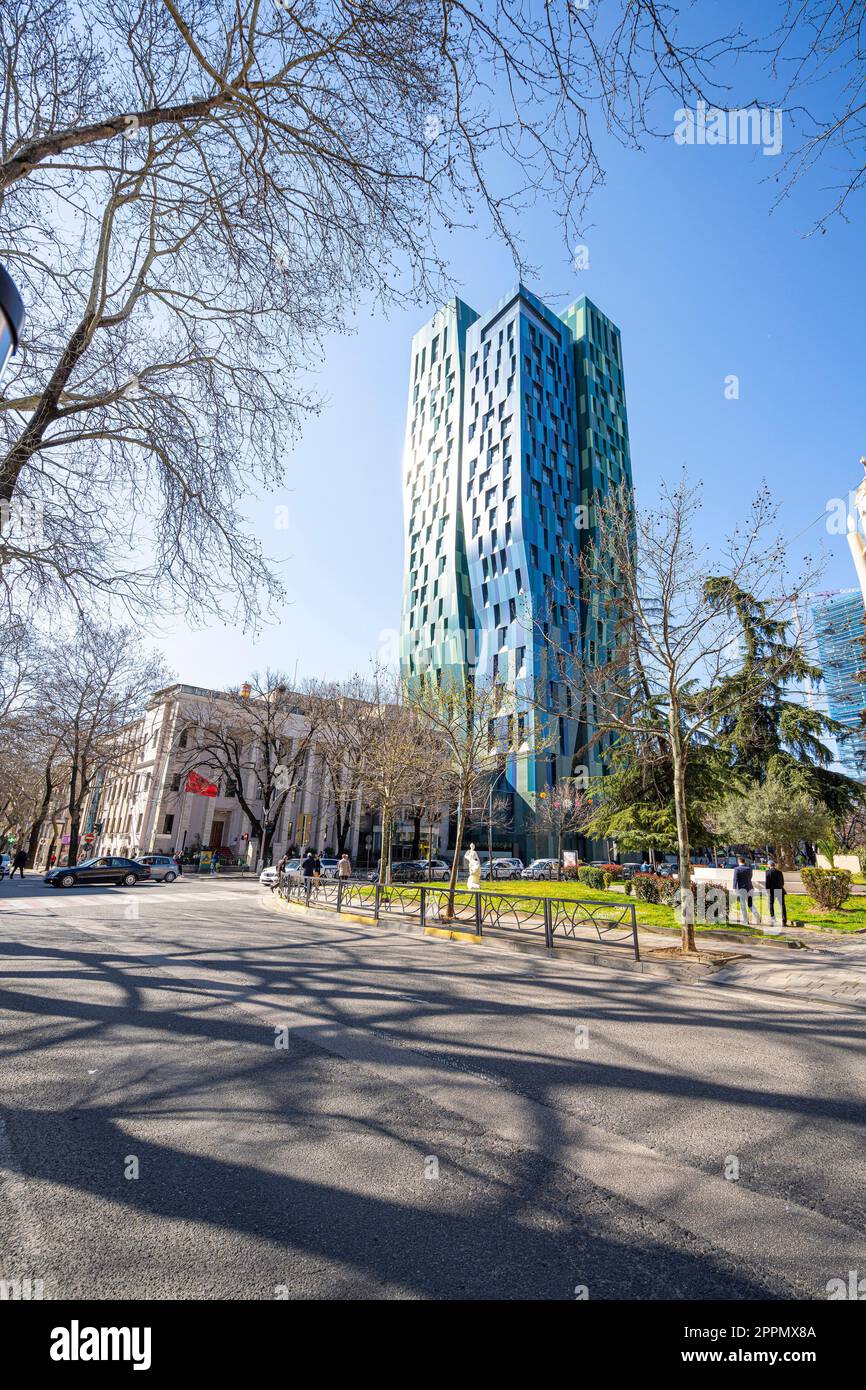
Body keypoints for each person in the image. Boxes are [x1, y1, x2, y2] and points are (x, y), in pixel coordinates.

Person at [732, 856, 760, 925]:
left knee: (743, 905)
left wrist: (734, 888)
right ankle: (757, 916)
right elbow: (750, 877)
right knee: (750, 904)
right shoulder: (749, 869)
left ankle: (746, 920)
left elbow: (735, 879)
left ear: (739, 861)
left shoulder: (737, 869)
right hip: (749, 888)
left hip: (741, 889)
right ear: (744, 862)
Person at [765, 858, 787, 928]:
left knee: (771, 904)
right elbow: (782, 882)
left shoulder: (768, 872)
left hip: (772, 891)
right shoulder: (779, 872)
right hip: (779, 890)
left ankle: (773, 919)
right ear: (774, 865)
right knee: (782, 905)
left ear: (769, 865)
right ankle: (784, 921)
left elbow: (767, 883)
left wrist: (768, 891)